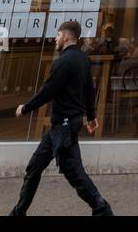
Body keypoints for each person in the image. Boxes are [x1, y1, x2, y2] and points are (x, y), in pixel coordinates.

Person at [8, 20, 114, 216]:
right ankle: (18, 212)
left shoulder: (63, 62)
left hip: (64, 126)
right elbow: (89, 90)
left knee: (74, 173)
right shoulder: (83, 59)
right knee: (34, 167)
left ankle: (103, 210)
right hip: (60, 126)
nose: (55, 39)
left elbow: (48, 91)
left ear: (66, 36)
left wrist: (26, 108)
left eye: (57, 35)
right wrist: (91, 116)